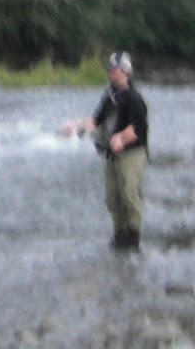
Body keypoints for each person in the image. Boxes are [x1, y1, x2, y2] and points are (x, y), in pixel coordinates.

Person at [61, 51, 149, 250]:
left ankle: (133, 238)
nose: (110, 72)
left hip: (132, 155)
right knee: (112, 197)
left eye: (114, 69)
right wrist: (75, 127)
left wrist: (121, 138)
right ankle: (119, 235)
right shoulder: (110, 95)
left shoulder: (134, 99)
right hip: (111, 154)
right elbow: (96, 121)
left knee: (129, 194)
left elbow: (138, 129)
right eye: (110, 69)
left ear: (125, 71)